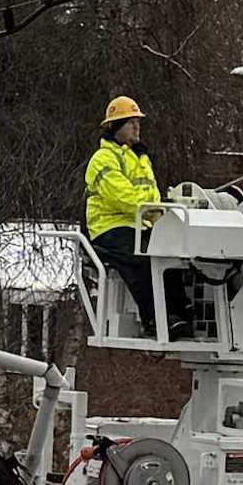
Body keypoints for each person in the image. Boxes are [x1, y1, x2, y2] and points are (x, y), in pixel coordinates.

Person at [84, 94, 163, 333]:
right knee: (141, 261)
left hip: (139, 224)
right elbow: (122, 196)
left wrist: (156, 214)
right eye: (131, 122)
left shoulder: (140, 159)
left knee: (170, 257)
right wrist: (151, 213)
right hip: (109, 228)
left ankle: (177, 317)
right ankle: (154, 320)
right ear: (115, 127)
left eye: (138, 122)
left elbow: (152, 193)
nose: (137, 127)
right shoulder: (103, 159)